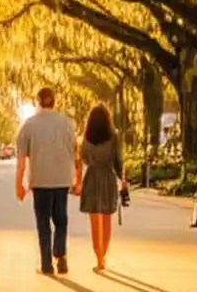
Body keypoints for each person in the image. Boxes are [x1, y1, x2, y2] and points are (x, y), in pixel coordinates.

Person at [15, 87, 81, 276]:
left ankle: (46, 264)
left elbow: (21, 160)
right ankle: (60, 255)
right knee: (61, 220)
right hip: (61, 180)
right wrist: (77, 179)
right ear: (54, 101)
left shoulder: (29, 125)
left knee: (43, 223)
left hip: (40, 181)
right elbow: (76, 153)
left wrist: (19, 185)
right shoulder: (67, 123)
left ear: (38, 101)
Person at [79, 103, 125, 271]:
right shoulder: (114, 136)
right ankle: (103, 256)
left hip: (91, 177)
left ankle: (98, 255)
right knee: (106, 218)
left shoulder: (86, 137)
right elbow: (118, 160)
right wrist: (123, 178)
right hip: (108, 177)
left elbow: (83, 157)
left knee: (94, 220)